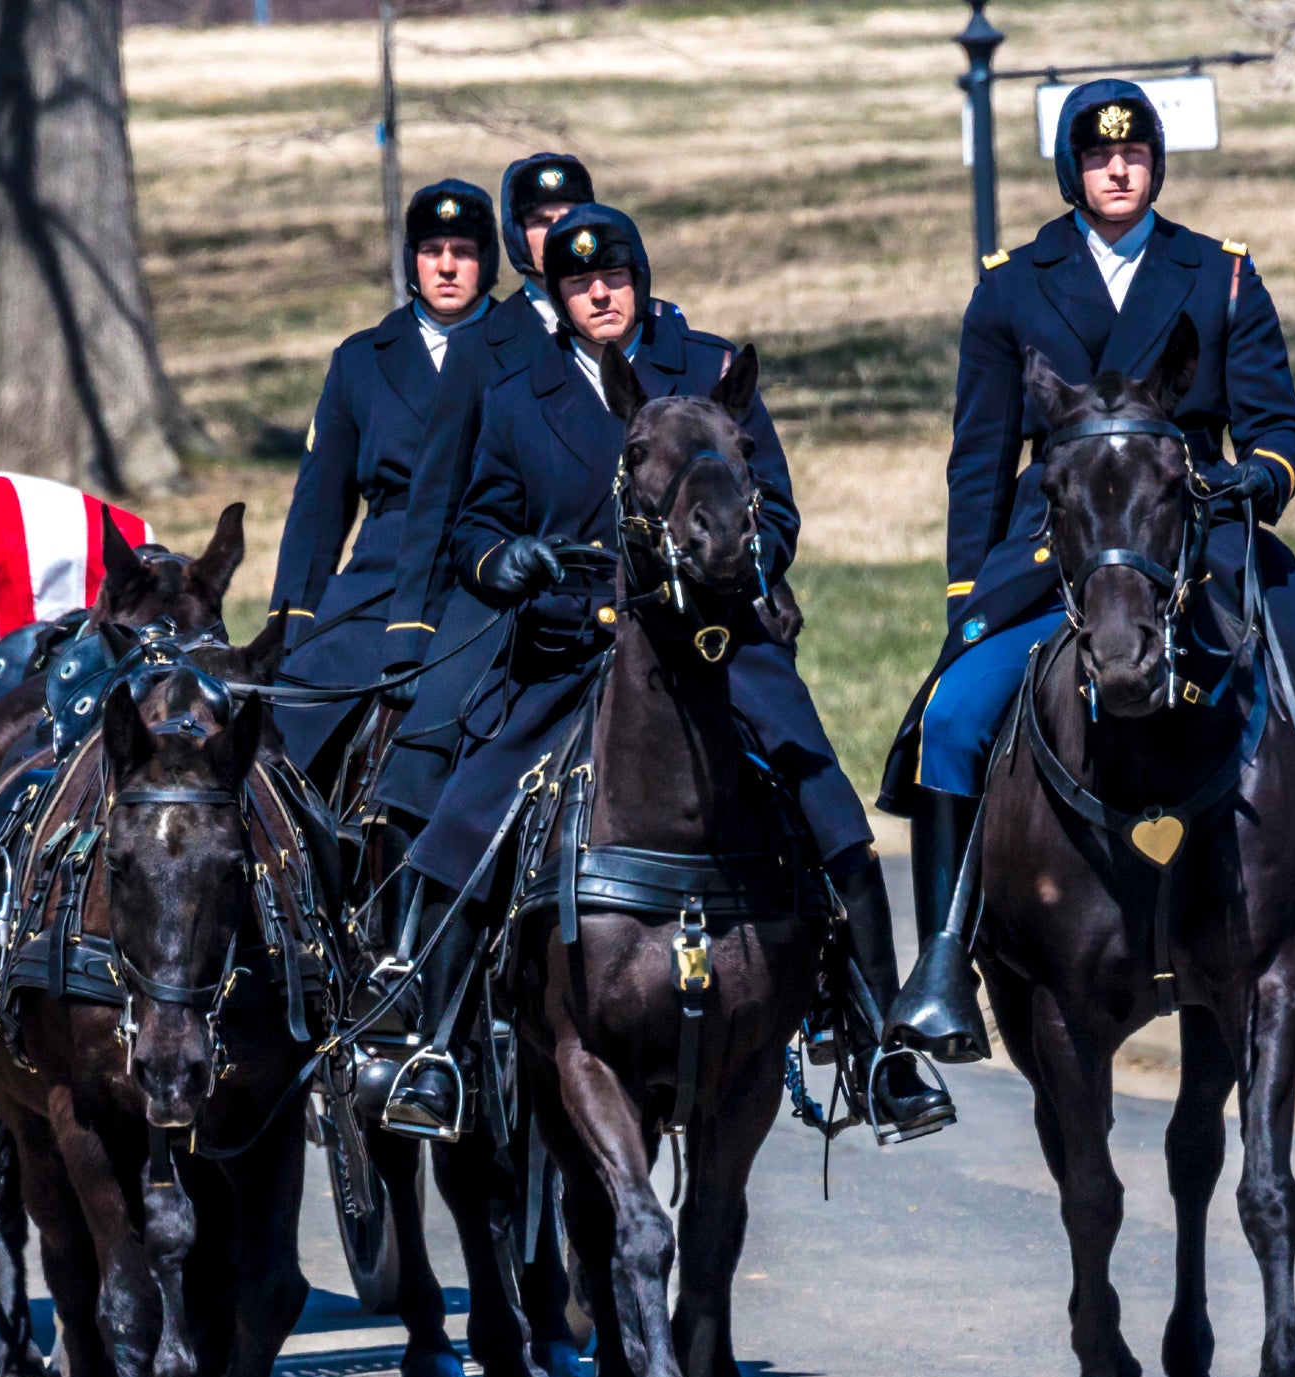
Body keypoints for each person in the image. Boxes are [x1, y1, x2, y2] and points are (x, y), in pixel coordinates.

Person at [385, 204, 954, 1142]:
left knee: (834, 817)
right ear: (555, 297)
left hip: (723, 645)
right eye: (577, 282)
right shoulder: (519, 390)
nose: (598, 294)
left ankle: (880, 1044)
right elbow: (478, 525)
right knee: (465, 821)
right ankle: (435, 1047)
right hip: (575, 646)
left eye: (613, 276)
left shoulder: (711, 372)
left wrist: (745, 566)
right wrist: (508, 562)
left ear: (640, 279)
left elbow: (777, 514)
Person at [881, 79, 1295, 1035]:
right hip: (1051, 545)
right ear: (1072, 167)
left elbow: (1280, 431)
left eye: (1135, 153)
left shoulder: (1219, 275)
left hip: (1197, 530)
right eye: (1100, 156)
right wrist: (968, 595)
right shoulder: (1012, 284)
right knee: (953, 715)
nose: (1118, 169)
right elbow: (980, 459)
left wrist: (1253, 483)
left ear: (1155, 163)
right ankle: (941, 966)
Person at [370, 153, 598, 828]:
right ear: (512, 233)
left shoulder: (635, 325)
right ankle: (417, 919)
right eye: (535, 222)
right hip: (503, 585)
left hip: (623, 581)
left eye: (566, 218)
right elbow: (436, 500)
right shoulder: (481, 343)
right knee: (426, 745)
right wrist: (408, 636)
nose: (553, 234)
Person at [267, 178, 498, 786]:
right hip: (380, 578)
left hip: (484, 571)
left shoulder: (525, 346)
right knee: (282, 740)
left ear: (488, 262)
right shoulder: (362, 359)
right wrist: (291, 631)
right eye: (431, 251)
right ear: (411, 262)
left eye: (465, 252)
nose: (447, 267)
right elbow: (320, 510)